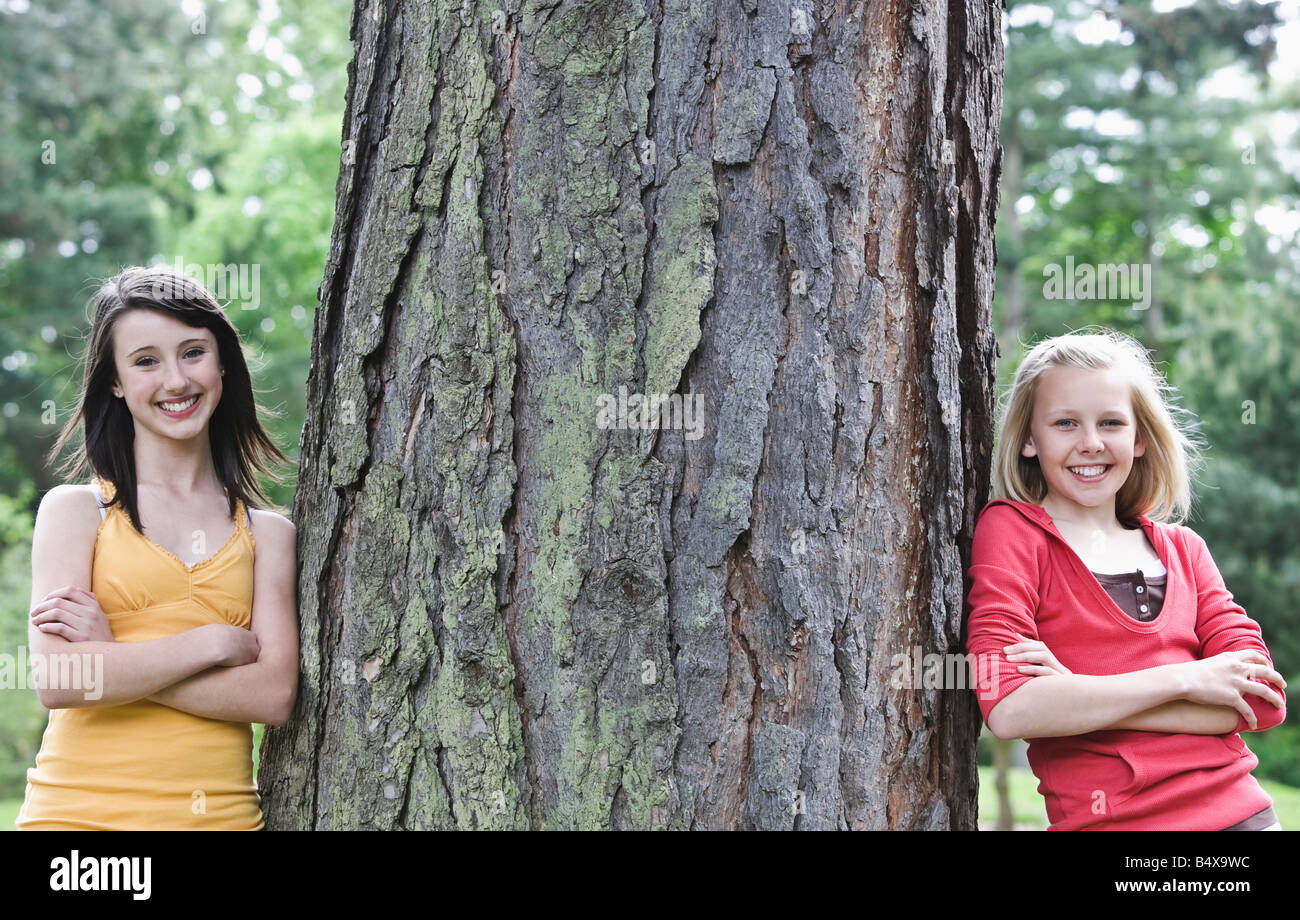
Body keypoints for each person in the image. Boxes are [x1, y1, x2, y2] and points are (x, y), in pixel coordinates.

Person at [966, 329, 1286, 830]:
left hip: (1242, 817)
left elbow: (1260, 702)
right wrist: (1189, 679)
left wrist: (1077, 693)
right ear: (1029, 439)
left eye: (1111, 422)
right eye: (1065, 423)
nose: (1090, 443)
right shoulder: (1013, 531)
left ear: (1138, 438)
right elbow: (1009, 708)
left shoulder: (1186, 551)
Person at [16, 265, 299, 830]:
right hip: (76, 826)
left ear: (222, 363)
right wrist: (213, 642)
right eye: (146, 361)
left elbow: (272, 696)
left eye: (192, 352)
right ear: (115, 382)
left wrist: (113, 657)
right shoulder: (76, 512)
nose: (175, 380)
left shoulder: (269, 534)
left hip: (220, 822)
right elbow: (60, 680)